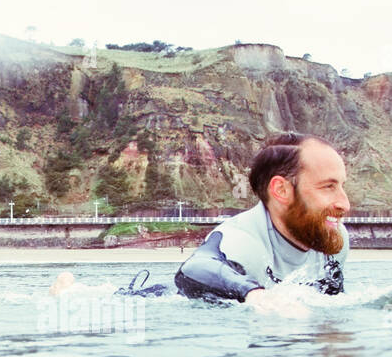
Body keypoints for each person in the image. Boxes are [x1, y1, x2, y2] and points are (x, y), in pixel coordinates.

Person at [51, 132, 351, 309]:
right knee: (117, 299)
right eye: (328, 187)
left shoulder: (334, 238)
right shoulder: (242, 239)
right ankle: (72, 293)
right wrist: (258, 297)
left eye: (342, 186)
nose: (344, 204)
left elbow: (328, 299)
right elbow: (194, 269)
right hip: (166, 301)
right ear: (282, 190)